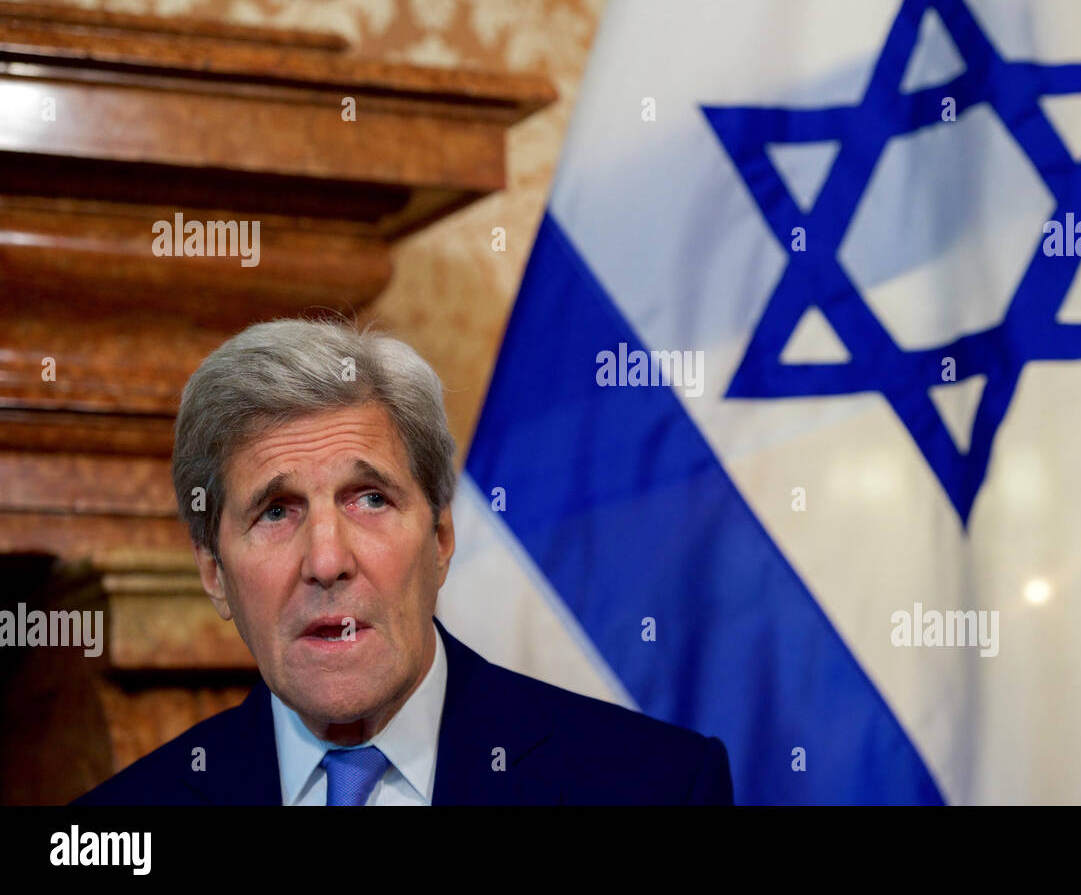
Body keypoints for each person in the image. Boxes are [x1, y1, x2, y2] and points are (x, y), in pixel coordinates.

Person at [74, 318, 733, 805]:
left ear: (441, 537)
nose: (327, 561)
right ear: (215, 574)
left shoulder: (657, 787)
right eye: (276, 511)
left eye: (369, 499)